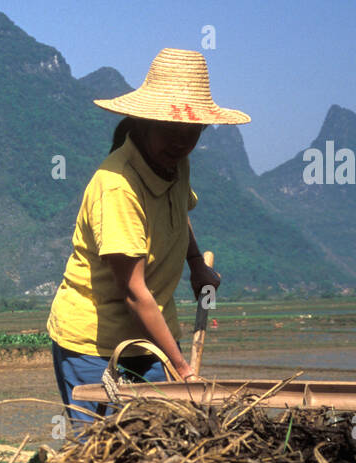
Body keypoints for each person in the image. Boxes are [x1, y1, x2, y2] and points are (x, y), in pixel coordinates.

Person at [47, 48, 248, 432]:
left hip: (153, 338)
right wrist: (183, 369)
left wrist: (196, 266)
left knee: (164, 443)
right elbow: (135, 293)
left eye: (192, 132)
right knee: (102, 454)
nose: (181, 141)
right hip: (96, 346)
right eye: (171, 130)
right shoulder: (117, 186)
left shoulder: (174, 161)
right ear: (143, 122)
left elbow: (179, 213)